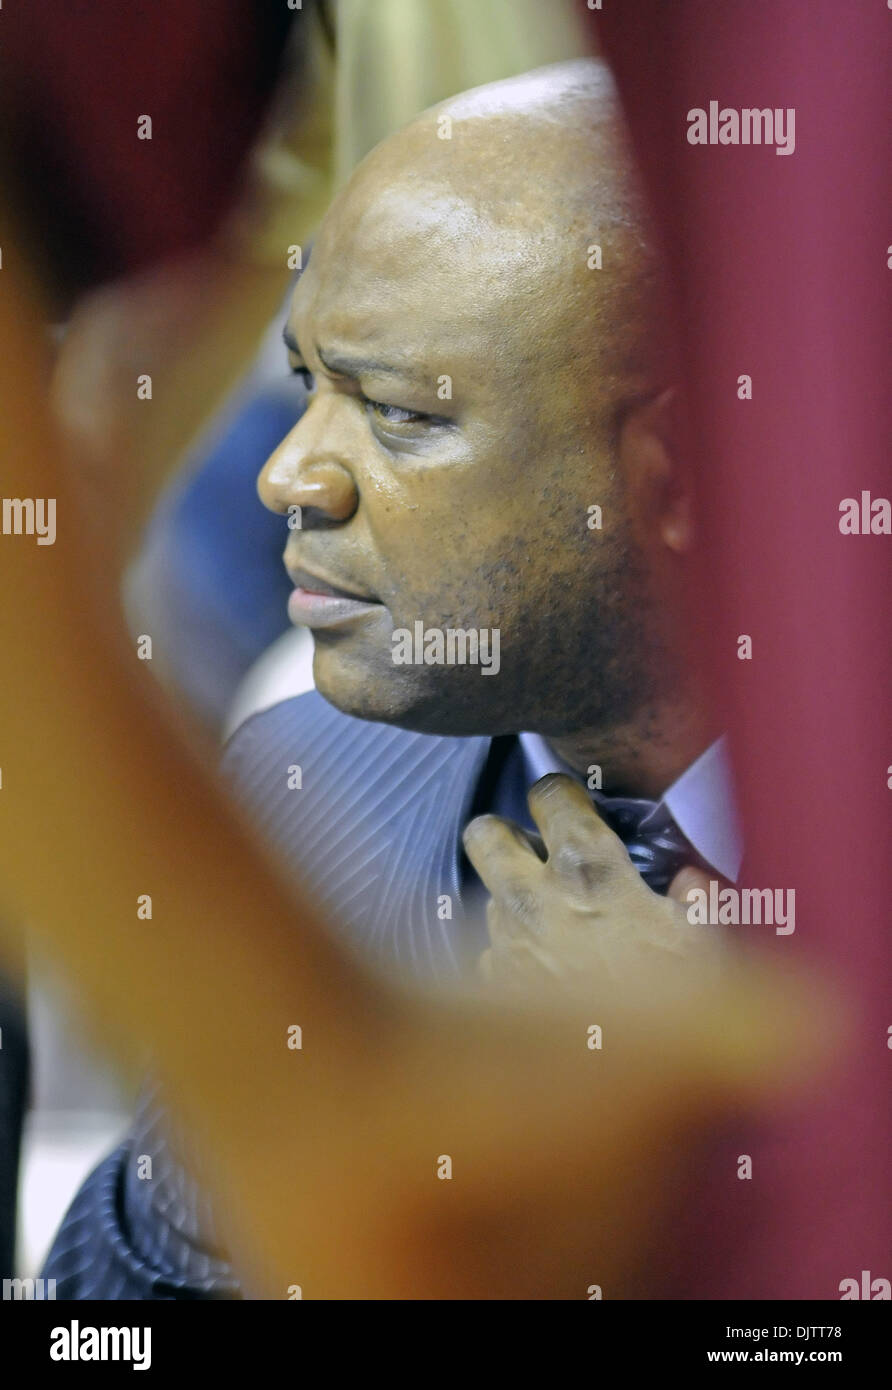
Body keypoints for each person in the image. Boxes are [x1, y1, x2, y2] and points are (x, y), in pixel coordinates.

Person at [44, 58, 738, 1298]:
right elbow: (110, 1304)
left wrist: (730, 1158)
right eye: (310, 384)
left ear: (677, 472)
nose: (292, 474)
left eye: (403, 413)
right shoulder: (298, 782)